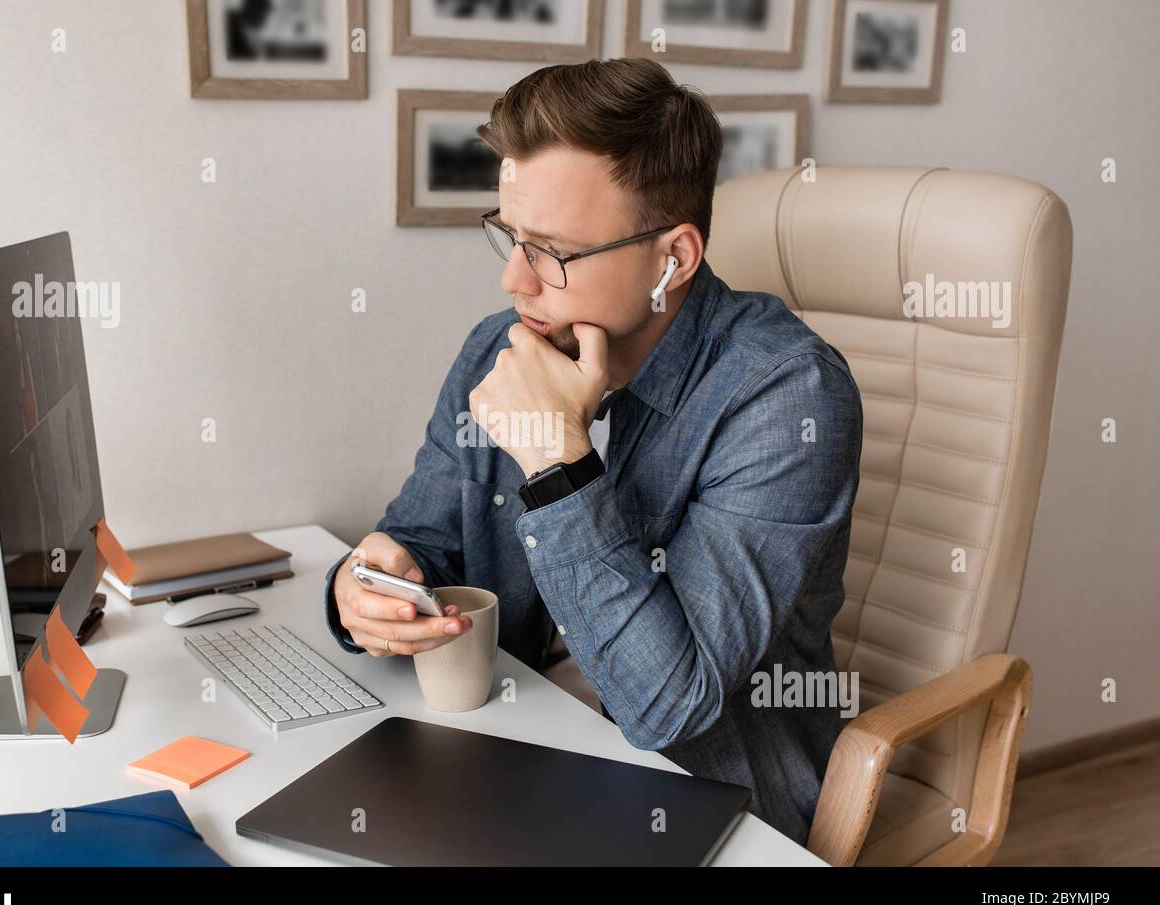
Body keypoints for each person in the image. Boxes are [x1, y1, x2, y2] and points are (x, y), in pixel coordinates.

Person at [324, 57, 863, 846]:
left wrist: (557, 460)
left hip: (708, 801)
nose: (515, 280)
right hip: (508, 748)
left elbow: (668, 704)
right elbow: (423, 542)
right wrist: (364, 587)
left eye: (552, 252)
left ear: (671, 259)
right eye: (510, 236)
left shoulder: (787, 397)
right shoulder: (499, 352)